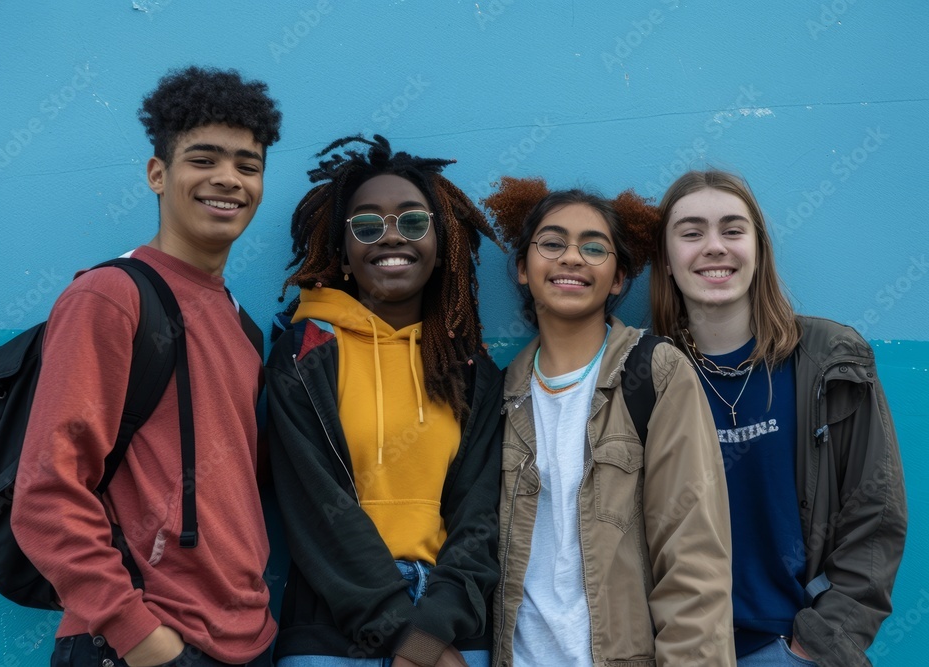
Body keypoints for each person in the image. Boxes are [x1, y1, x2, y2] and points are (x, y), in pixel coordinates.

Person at [11, 66, 282, 667]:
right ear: (157, 174)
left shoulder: (243, 326)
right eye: (204, 159)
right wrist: (138, 634)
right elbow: (46, 490)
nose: (228, 180)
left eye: (248, 165)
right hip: (146, 642)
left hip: (250, 639)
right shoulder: (111, 296)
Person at [650, 169, 907, 666]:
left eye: (732, 229)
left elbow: (876, 515)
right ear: (666, 258)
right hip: (676, 652)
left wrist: (817, 644)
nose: (714, 247)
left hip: (790, 647)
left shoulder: (831, 360)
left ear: (759, 248)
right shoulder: (644, 372)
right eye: (691, 232)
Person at [266, 135, 503, 667]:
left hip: (450, 632)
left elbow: (480, 516)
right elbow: (315, 511)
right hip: (334, 632)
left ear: (441, 247)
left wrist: (432, 631)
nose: (391, 237)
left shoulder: (469, 368)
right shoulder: (306, 353)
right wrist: (405, 639)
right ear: (344, 253)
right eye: (367, 225)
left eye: (413, 222)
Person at [484, 176, 736, 666]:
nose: (572, 258)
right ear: (522, 267)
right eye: (552, 243)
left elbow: (693, 557)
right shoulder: (501, 395)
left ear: (619, 278)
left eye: (594, 248)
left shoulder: (655, 372)